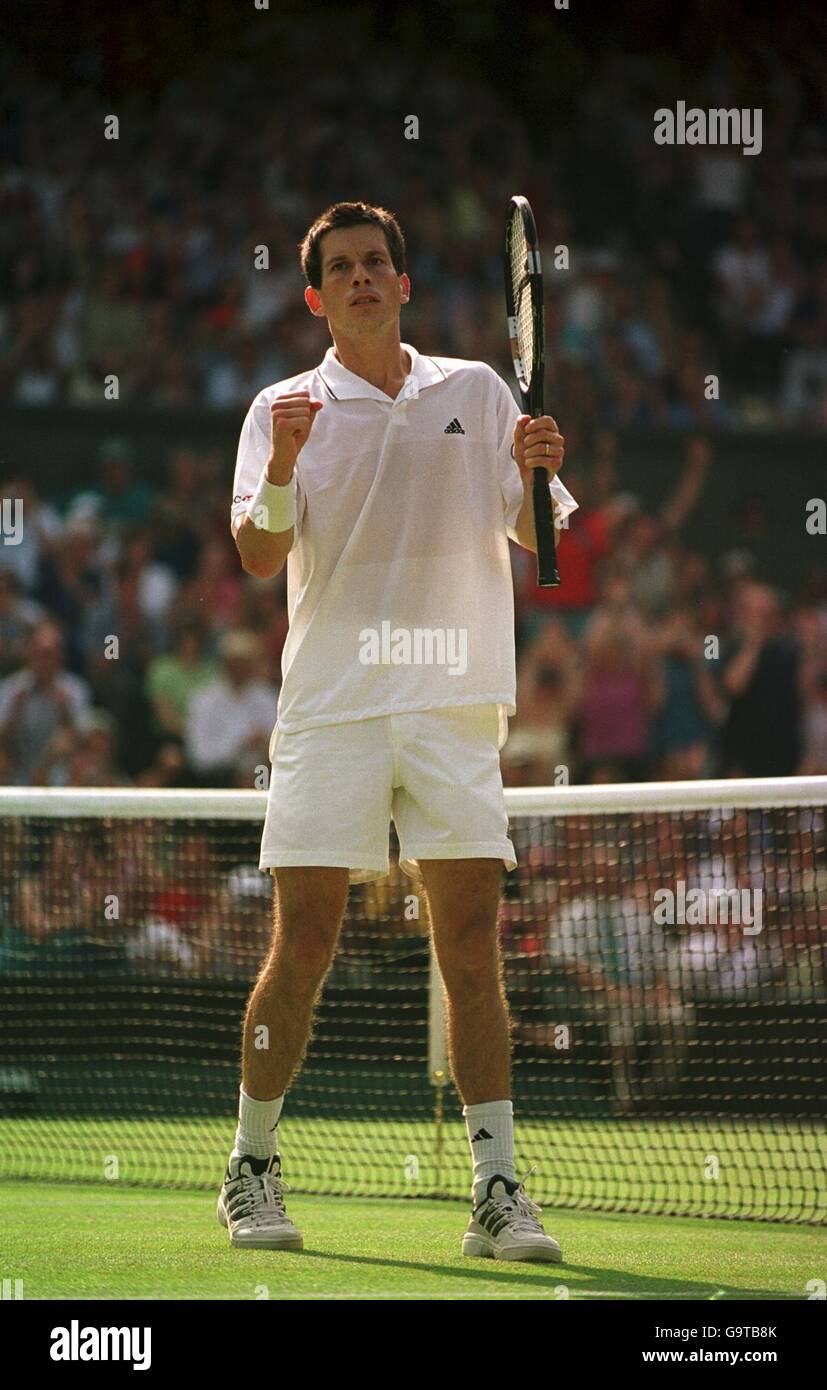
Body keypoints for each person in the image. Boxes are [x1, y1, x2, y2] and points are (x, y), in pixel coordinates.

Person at [219, 201, 577, 1262]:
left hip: (453, 704)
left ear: (404, 284)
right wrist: (282, 465)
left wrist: (538, 467)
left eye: (378, 261)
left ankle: (497, 1188)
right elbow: (253, 552)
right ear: (315, 297)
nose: (363, 277)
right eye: (342, 267)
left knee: (470, 950)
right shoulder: (278, 406)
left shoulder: (475, 390)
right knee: (304, 946)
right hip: (331, 709)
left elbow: (539, 533)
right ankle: (250, 1163)